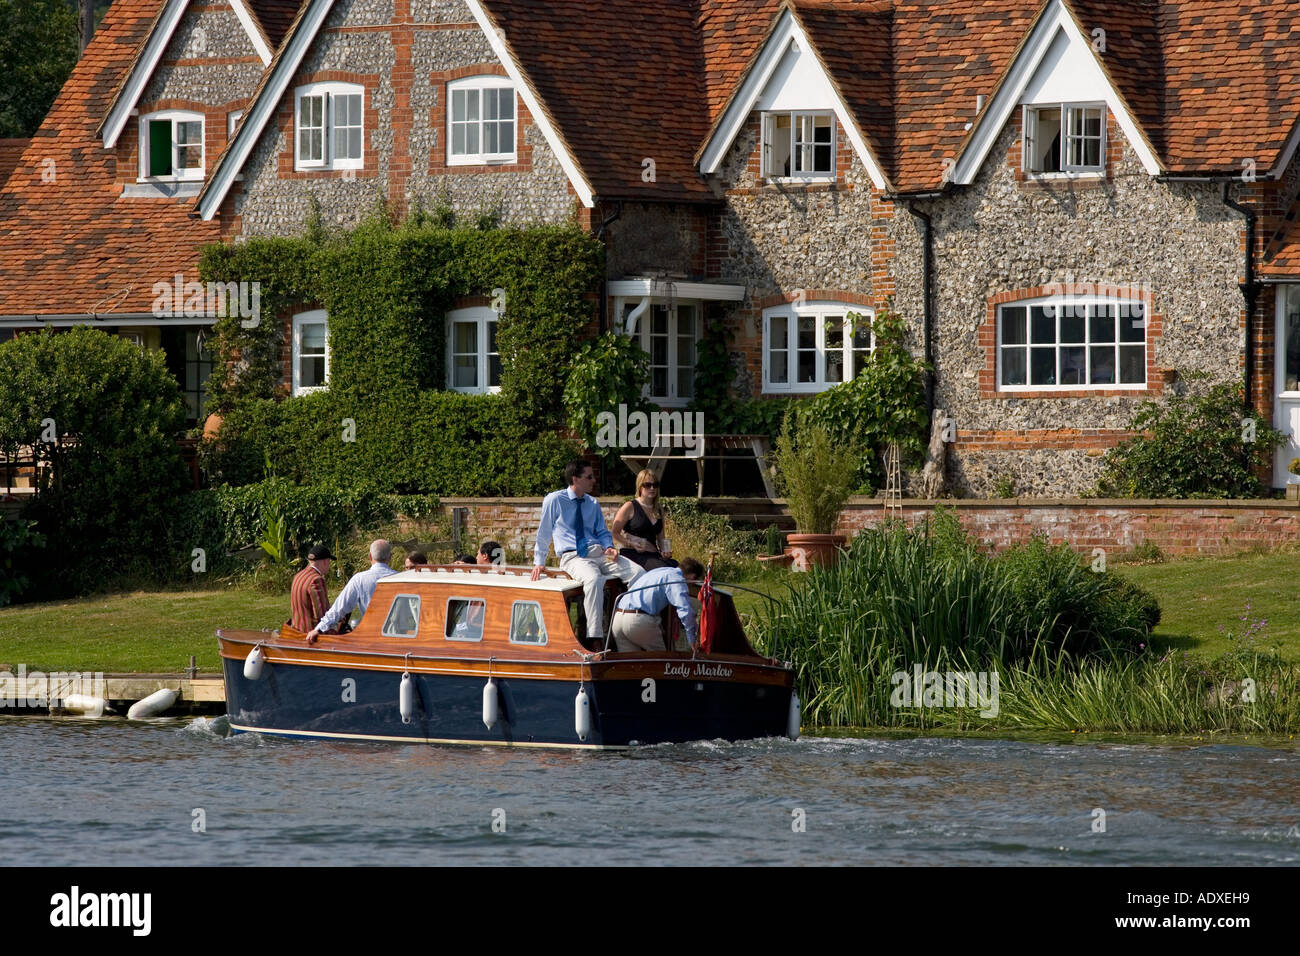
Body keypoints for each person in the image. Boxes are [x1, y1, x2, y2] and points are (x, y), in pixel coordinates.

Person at [532, 459, 641, 640]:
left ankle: (631, 624)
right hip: (573, 557)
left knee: (638, 573)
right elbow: (543, 533)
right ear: (575, 479)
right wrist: (539, 563)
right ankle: (595, 637)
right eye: (589, 477)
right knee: (593, 579)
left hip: (599, 553)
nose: (594, 481)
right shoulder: (555, 500)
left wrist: (609, 547)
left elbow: (602, 531)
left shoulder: (593, 503)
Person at [307, 539, 396, 644]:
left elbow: (339, 608)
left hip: (372, 638)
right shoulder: (401, 578)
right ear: (390, 557)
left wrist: (319, 628)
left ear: (370, 556)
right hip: (398, 637)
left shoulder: (359, 579)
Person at [610, 557, 703, 653]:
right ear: (692, 577)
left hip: (617, 618)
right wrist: (692, 639)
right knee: (660, 661)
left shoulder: (659, 571)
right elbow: (686, 611)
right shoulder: (677, 579)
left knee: (631, 665)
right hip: (637, 621)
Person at [612, 468, 678, 571]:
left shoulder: (658, 509)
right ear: (640, 487)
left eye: (655, 485)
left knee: (682, 570)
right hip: (633, 554)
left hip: (654, 554)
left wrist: (665, 551)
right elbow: (615, 533)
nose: (652, 488)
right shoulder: (630, 506)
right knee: (665, 571)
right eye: (647, 485)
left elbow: (661, 538)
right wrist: (631, 544)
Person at [289, 542, 332, 633]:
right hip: (310, 635)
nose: (329, 565)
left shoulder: (298, 576)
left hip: (296, 630)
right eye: (329, 561)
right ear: (325, 561)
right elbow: (321, 614)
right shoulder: (316, 579)